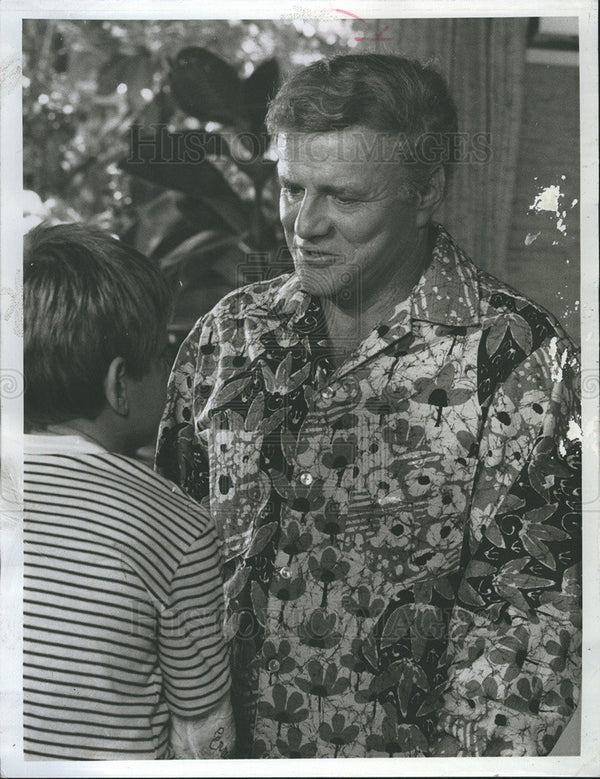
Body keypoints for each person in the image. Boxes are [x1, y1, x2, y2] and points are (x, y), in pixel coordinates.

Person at [156, 54, 581, 758]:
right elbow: (164, 560)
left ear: (426, 192)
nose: (305, 223)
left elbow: (526, 634)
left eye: (343, 197)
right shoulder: (227, 337)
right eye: (293, 188)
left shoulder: (520, 357)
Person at [23, 223, 234, 760]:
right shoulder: (176, 527)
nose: (171, 370)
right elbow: (204, 735)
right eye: (163, 355)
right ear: (119, 385)